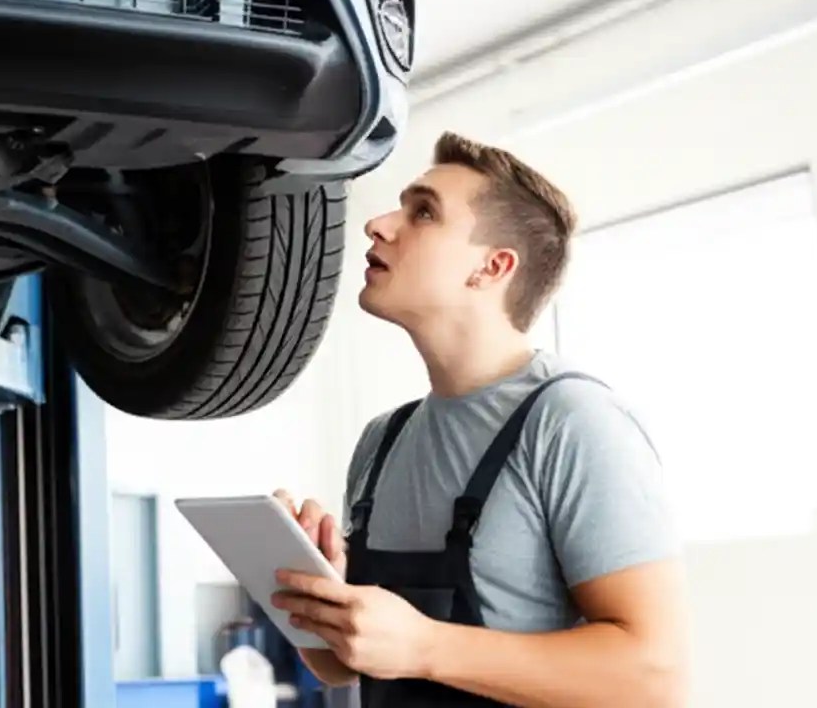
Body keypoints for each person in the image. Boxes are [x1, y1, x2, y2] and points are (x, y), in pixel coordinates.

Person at [271, 132, 689, 708]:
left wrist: (424, 646)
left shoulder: (572, 422)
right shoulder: (382, 441)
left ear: (492, 267)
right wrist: (313, 591)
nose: (380, 224)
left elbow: (655, 679)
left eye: (422, 212)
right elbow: (343, 670)